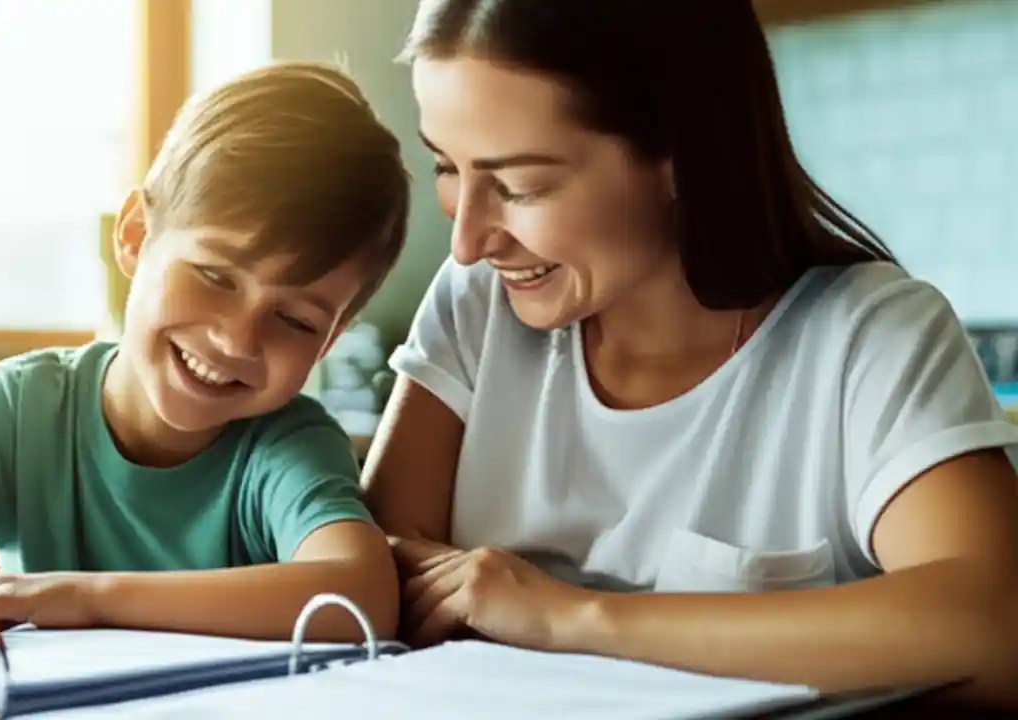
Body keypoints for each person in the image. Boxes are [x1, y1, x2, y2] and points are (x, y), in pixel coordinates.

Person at [362, 0, 1018, 706]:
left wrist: (568, 617)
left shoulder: (868, 338)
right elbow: (367, 570)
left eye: (522, 186)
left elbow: (993, 624)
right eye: (446, 168)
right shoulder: (477, 302)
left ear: (683, 150)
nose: (468, 241)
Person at [0, 62, 409, 650]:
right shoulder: (25, 411)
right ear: (134, 235)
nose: (238, 341)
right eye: (214, 276)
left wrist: (91, 598)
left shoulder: (285, 445)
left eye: (294, 319)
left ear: (331, 337)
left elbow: (363, 595)